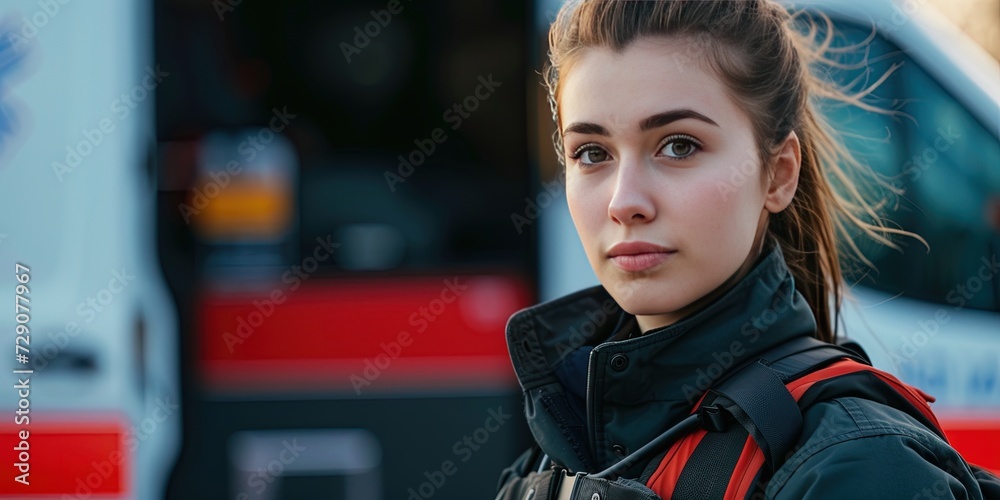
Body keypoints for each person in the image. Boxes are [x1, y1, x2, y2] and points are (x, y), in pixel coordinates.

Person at [495, 1, 1000, 498]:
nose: (624, 202)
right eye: (591, 153)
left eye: (678, 146)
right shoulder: (559, 443)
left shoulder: (861, 464)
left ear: (778, 174)